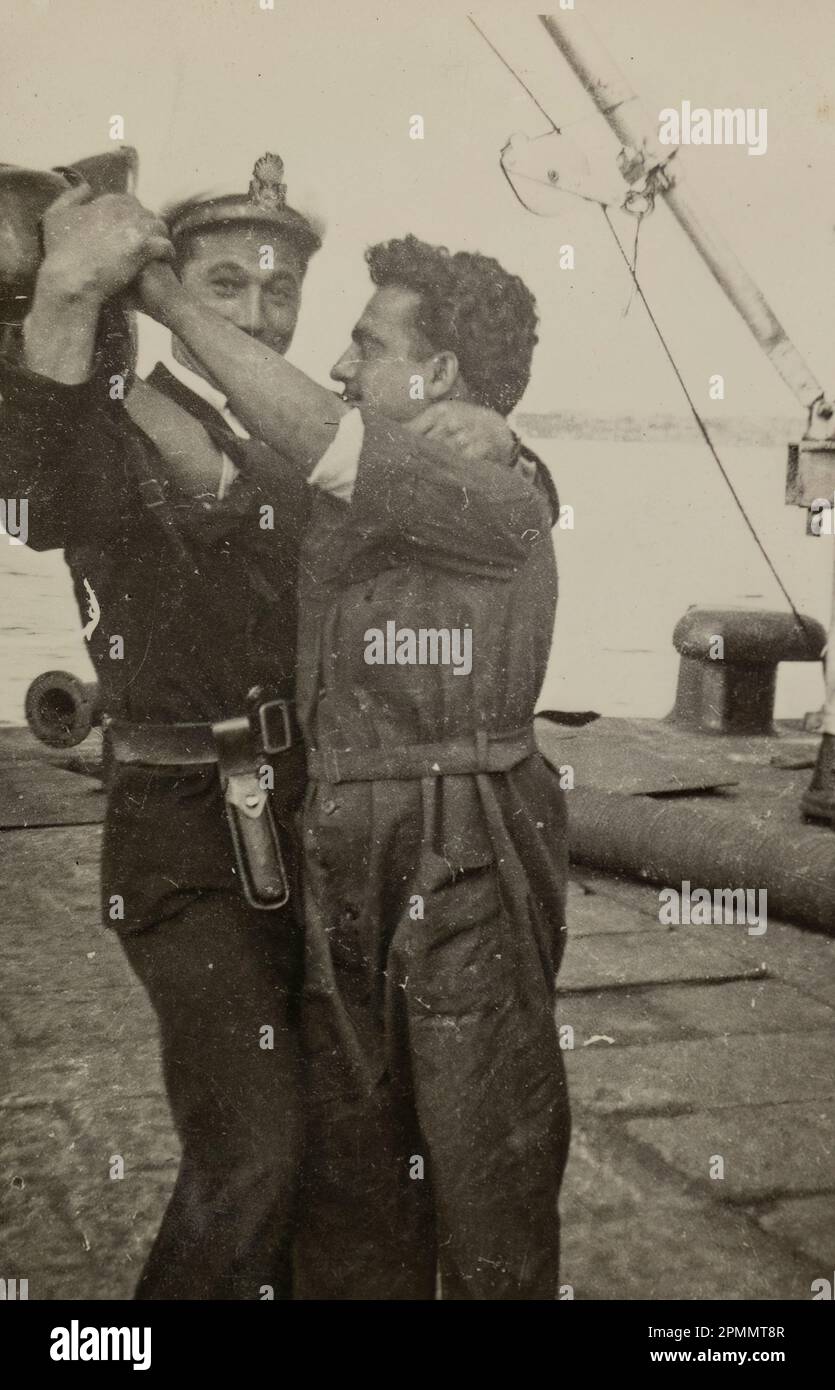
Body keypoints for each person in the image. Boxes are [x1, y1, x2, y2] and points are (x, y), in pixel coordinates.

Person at [136, 230, 572, 1300]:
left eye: (365, 342)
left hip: (460, 854)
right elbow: (241, 445)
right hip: (343, 859)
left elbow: (328, 436)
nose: (339, 361)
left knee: (485, 1178)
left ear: (441, 372)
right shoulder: (385, 479)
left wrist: (164, 297)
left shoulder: (492, 491)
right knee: (350, 1183)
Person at [0, 155, 320, 1299]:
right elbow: (31, 493)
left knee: (317, 1148)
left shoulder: (300, 428)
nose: (258, 313)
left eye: (278, 290)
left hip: (307, 824)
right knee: (252, 1149)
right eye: (223, 285)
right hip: (181, 844)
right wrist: (69, 298)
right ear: (161, 287)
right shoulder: (110, 410)